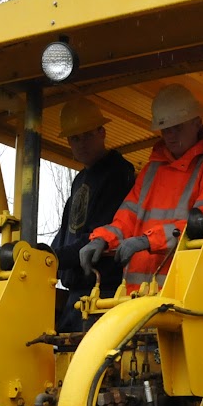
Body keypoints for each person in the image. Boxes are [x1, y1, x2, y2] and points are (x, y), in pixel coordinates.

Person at [78, 83, 203, 293]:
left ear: (197, 123)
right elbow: (127, 218)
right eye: (165, 129)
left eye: (177, 127)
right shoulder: (152, 169)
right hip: (136, 296)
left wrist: (148, 240)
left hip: (186, 293)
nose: (170, 135)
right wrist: (101, 239)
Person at [51, 97, 136, 331]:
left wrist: (55, 257)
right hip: (76, 296)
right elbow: (68, 231)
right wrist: (47, 256)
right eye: (75, 138)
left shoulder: (118, 174)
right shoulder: (80, 180)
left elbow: (101, 232)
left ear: (102, 132)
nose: (82, 144)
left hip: (104, 293)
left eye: (88, 135)